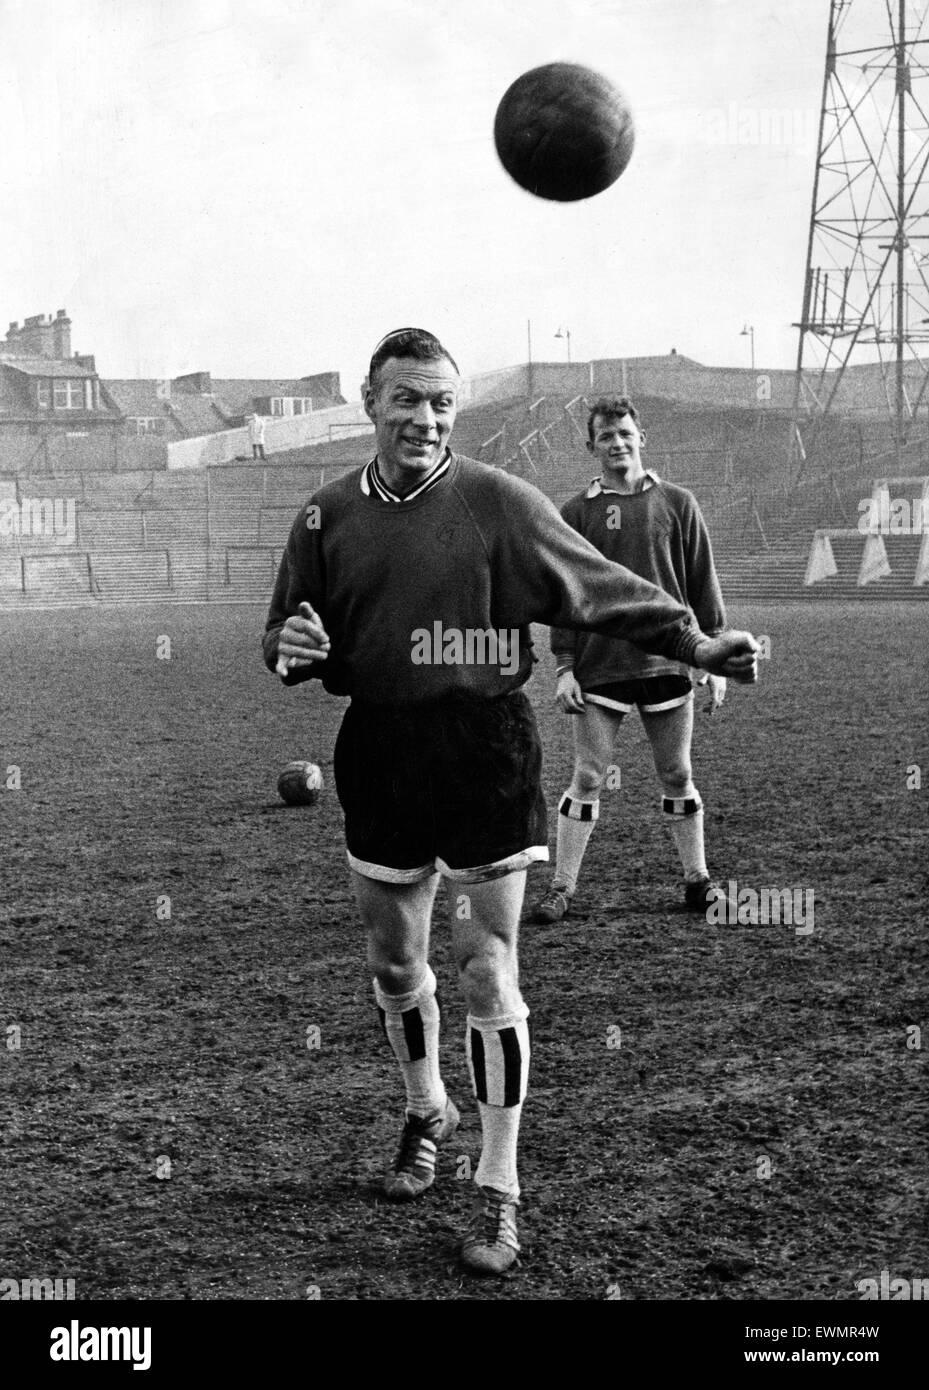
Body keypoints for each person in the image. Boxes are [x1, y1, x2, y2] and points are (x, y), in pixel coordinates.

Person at [262, 329, 759, 1276]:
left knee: (487, 965)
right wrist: (288, 650)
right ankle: (423, 1111)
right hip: (379, 747)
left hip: (484, 745)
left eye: (442, 402)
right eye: (406, 399)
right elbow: (291, 636)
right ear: (370, 402)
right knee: (395, 959)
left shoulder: (498, 502)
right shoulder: (323, 517)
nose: (425, 417)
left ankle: (498, 1186)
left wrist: (694, 645)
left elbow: (600, 586)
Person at [531, 396, 730, 925]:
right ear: (590, 446)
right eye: (605, 436)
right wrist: (564, 666)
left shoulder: (679, 503)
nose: (616, 443)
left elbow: (700, 582)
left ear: (642, 436)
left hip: (668, 660)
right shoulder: (575, 513)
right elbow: (566, 594)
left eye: (624, 433)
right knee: (590, 775)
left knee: (676, 771)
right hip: (600, 665)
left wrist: (710, 653)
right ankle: (562, 887)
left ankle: (697, 878)